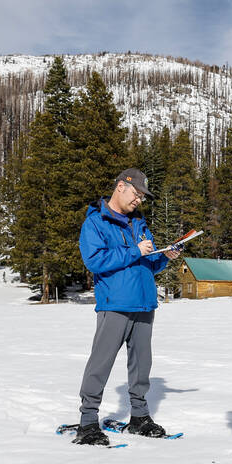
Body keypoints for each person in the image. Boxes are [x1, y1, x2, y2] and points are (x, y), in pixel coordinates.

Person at [73, 169, 181, 446]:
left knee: (142, 364)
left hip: (144, 303)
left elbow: (149, 263)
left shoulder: (139, 224)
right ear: (121, 186)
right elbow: (95, 260)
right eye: (137, 194)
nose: (139, 201)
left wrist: (165, 256)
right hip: (115, 305)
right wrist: (135, 251)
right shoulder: (96, 223)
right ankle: (87, 422)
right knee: (101, 362)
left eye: (143, 197)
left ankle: (140, 417)